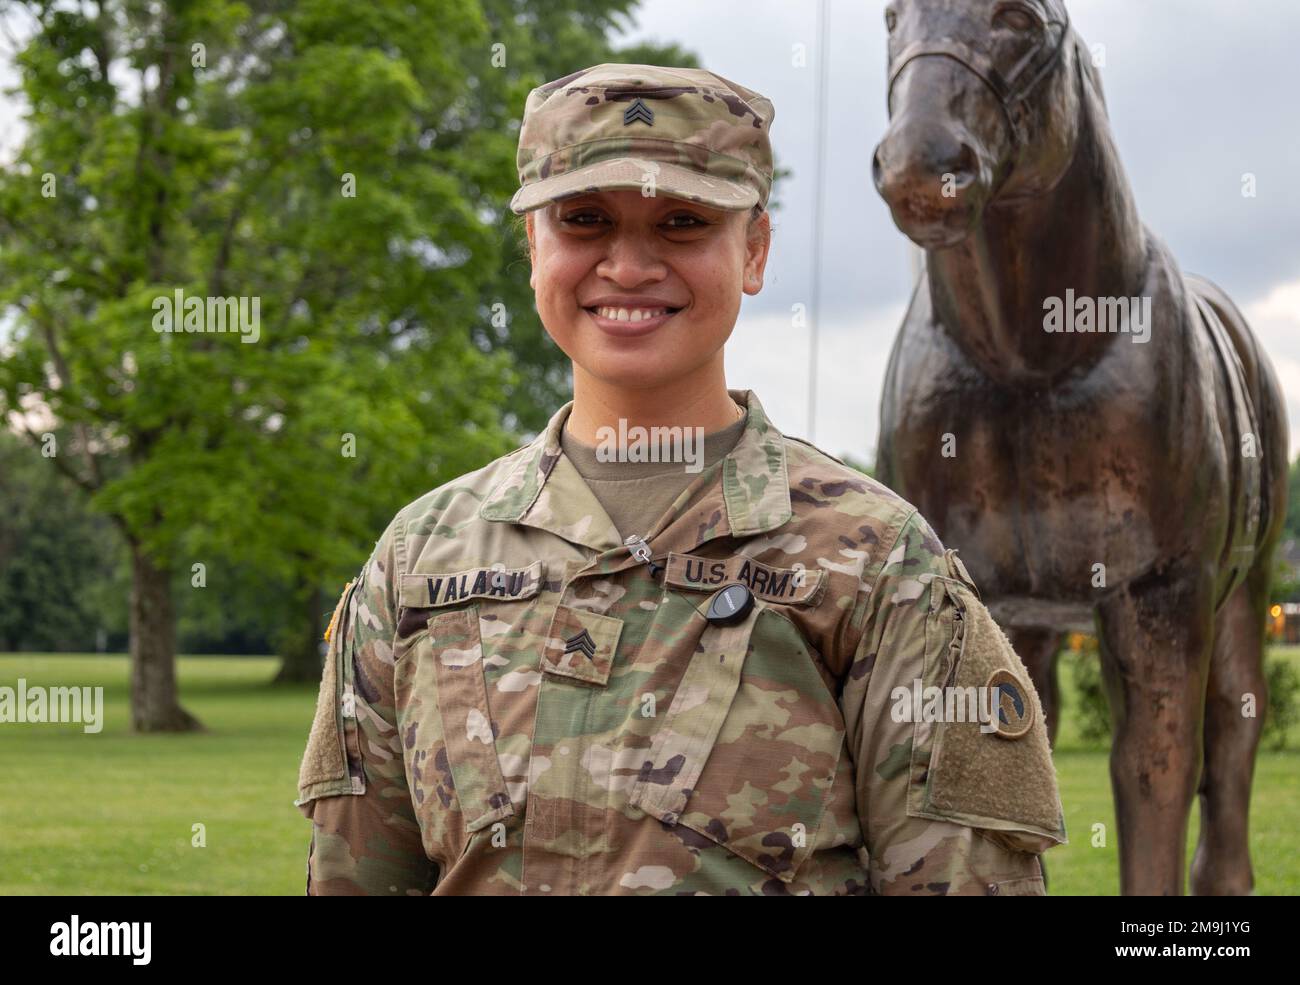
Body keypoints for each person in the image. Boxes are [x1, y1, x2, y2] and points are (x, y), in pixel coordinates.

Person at [294, 62, 1066, 896]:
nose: (628, 266)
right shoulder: (420, 561)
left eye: (683, 222)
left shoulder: (875, 563)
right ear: (532, 248)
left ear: (755, 250)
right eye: (584, 220)